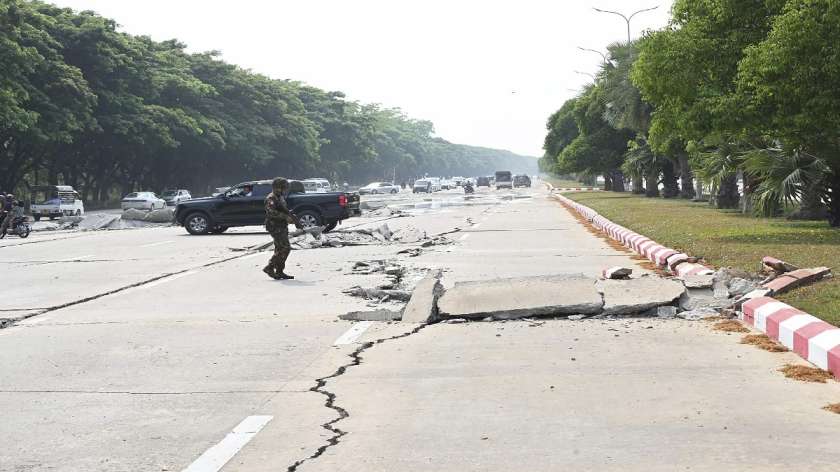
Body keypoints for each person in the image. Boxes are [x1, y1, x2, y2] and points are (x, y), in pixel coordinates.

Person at [263, 178, 301, 280]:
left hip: (281, 226)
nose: (284, 190)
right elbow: (271, 212)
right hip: (275, 226)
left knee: (279, 249)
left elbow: (283, 210)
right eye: (283, 188)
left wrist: (291, 217)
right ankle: (270, 267)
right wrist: (286, 217)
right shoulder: (271, 198)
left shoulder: (280, 197)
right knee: (285, 248)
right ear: (277, 188)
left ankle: (279, 271)